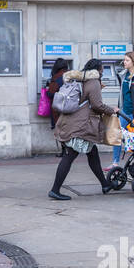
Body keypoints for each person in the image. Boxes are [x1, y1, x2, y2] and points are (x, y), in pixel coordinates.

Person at [49, 59, 117, 199]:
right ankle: (55, 190)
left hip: (74, 123)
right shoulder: (93, 82)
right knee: (69, 156)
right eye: (102, 69)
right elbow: (97, 105)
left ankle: (105, 184)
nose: (103, 71)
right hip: (80, 126)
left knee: (92, 153)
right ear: (98, 69)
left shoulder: (81, 79)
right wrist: (112, 110)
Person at [45, 58, 70, 131]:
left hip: (59, 112)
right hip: (71, 110)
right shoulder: (71, 76)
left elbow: (50, 94)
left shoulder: (57, 78)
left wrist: (47, 90)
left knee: (62, 135)